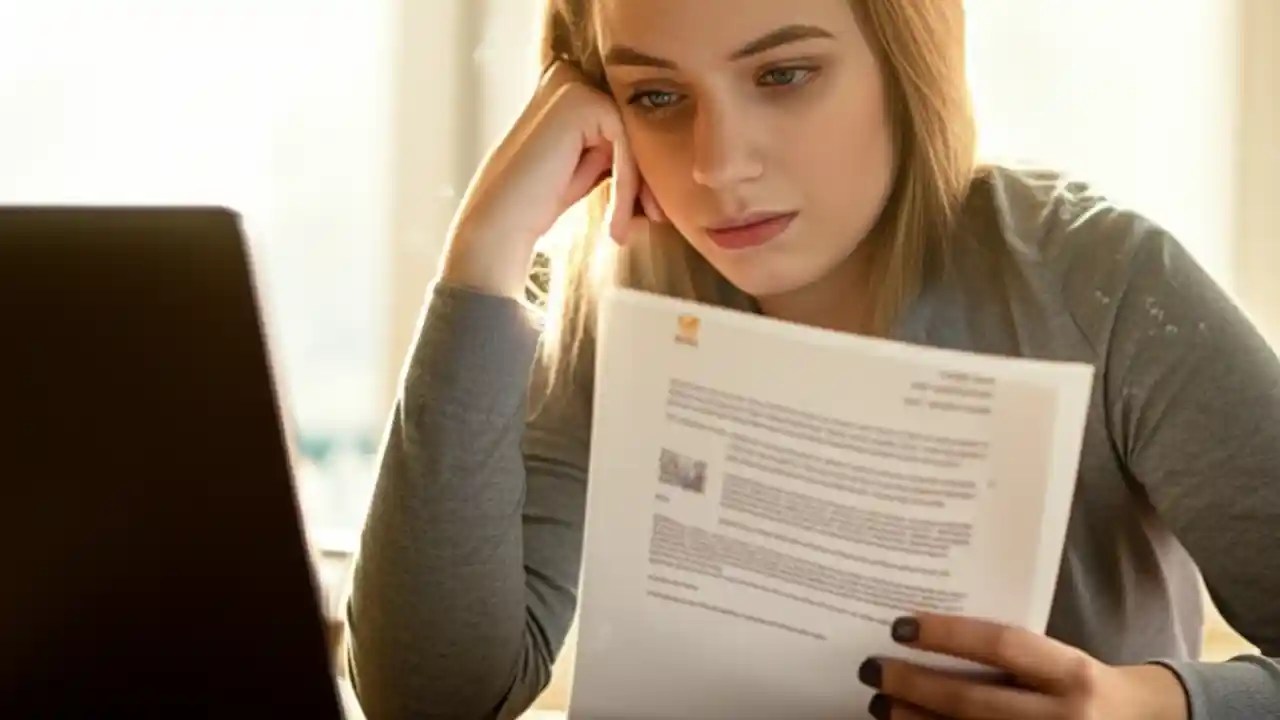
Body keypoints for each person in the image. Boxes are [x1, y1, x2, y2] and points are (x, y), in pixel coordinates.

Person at [344, 1, 1280, 718]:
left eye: (785, 74)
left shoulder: (1102, 283)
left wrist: (1148, 704)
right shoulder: (620, 292)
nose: (718, 165)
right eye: (657, 97)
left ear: (907, 57)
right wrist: (483, 253)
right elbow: (432, 698)